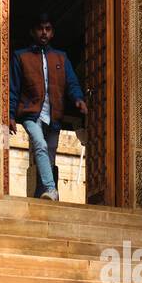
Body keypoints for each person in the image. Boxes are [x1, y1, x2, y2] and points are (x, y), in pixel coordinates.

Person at [8, 12, 87, 200]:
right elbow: (13, 88)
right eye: (40, 28)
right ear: (33, 32)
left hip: (54, 115)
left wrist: (78, 98)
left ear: (52, 33)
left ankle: (42, 194)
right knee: (40, 145)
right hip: (30, 113)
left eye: (48, 29)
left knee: (50, 157)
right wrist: (10, 115)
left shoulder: (61, 58)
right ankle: (52, 190)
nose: (44, 32)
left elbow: (72, 82)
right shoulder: (21, 57)